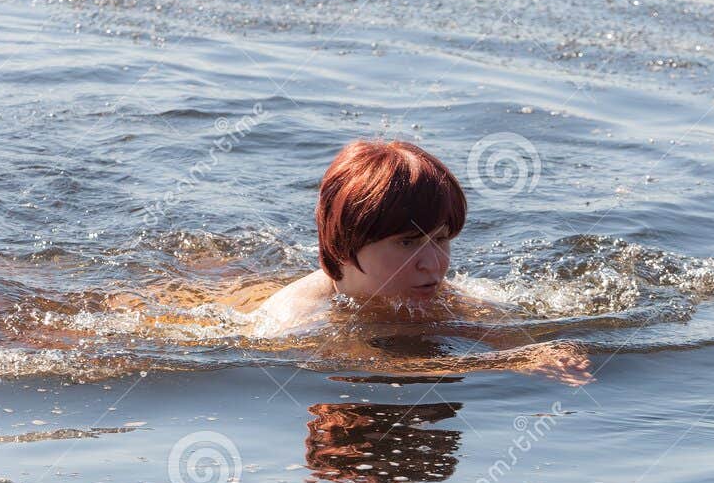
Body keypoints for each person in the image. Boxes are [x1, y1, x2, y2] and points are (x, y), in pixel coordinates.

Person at [248, 138, 592, 386]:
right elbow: (381, 364)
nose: (434, 264)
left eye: (440, 239)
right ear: (344, 244)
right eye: (407, 242)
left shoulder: (440, 293)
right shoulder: (297, 320)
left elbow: (506, 334)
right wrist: (512, 362)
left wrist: (543, 354)